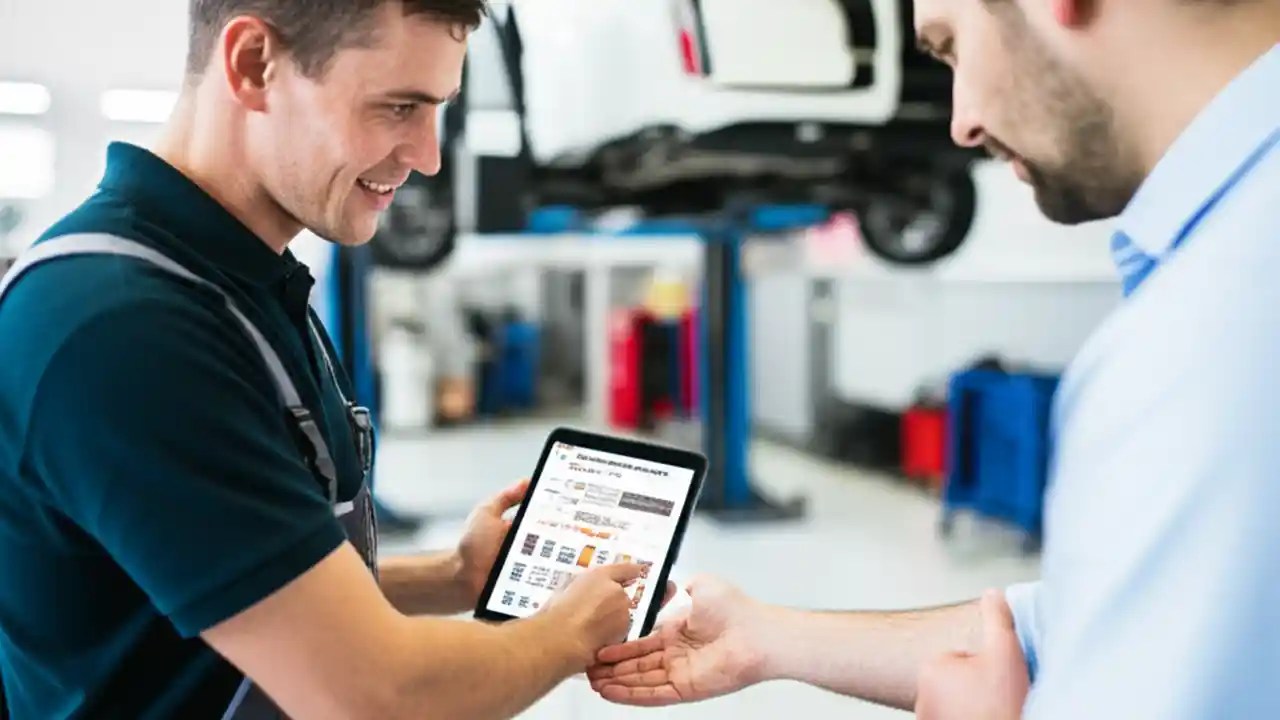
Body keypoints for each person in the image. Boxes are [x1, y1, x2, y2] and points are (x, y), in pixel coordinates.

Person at [590, 0, 1280, 718]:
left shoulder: (1207, 336)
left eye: (950, 47)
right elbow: (1089, 625)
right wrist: (770, 639)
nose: (961, 122)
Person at [0, 2, 652, 718]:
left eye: (437, 109)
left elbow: (243, 576)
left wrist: (454, 577)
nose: (428, 155)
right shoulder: (121, 327)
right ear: (254, 65)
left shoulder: (237, 280)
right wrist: (568, 632)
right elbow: (375, 695)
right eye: (398, 106)